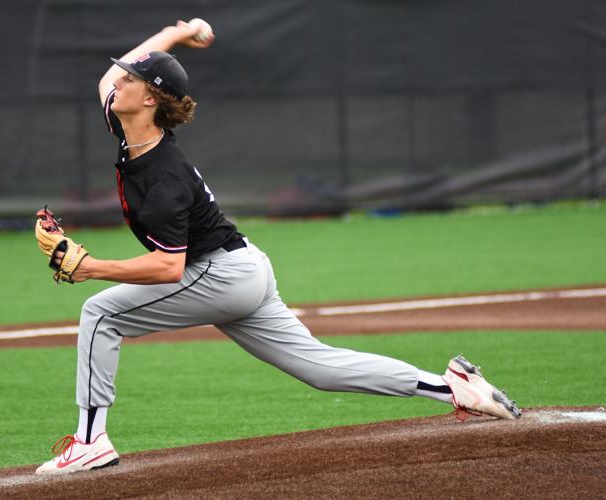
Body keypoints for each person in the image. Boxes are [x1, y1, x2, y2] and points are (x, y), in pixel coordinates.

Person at [34, 20, 521, 476]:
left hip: (218, 276)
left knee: (101, 314)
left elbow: (167, 267)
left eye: (131, 78)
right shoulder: (128, 125)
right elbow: (107, 80)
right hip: (242, 269)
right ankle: (452, 387)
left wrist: (90, 266)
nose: (117, 80)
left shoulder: (165, 178)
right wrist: (173, 34)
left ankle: (91, 441)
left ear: (150, 100)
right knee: (318, 367)